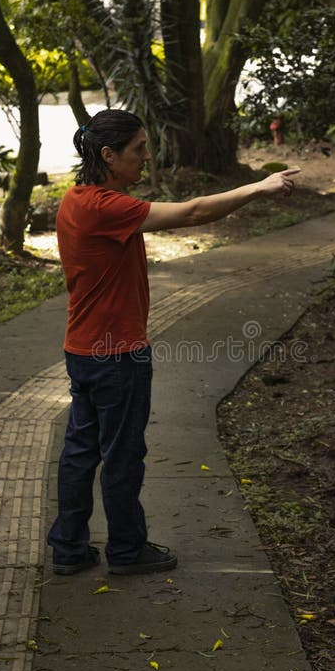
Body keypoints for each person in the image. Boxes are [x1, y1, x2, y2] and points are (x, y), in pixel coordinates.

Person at [47, 109, 299, 577]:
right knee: (122, 455)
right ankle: (125, 550)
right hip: (117, 355)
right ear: (108, 155)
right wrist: (256, 187)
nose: (147, 157)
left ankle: (68, 548)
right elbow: (193, 212)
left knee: (81, 451)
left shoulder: (75, 200)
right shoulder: (107, 207)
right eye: (139, 149)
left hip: (82, 350)